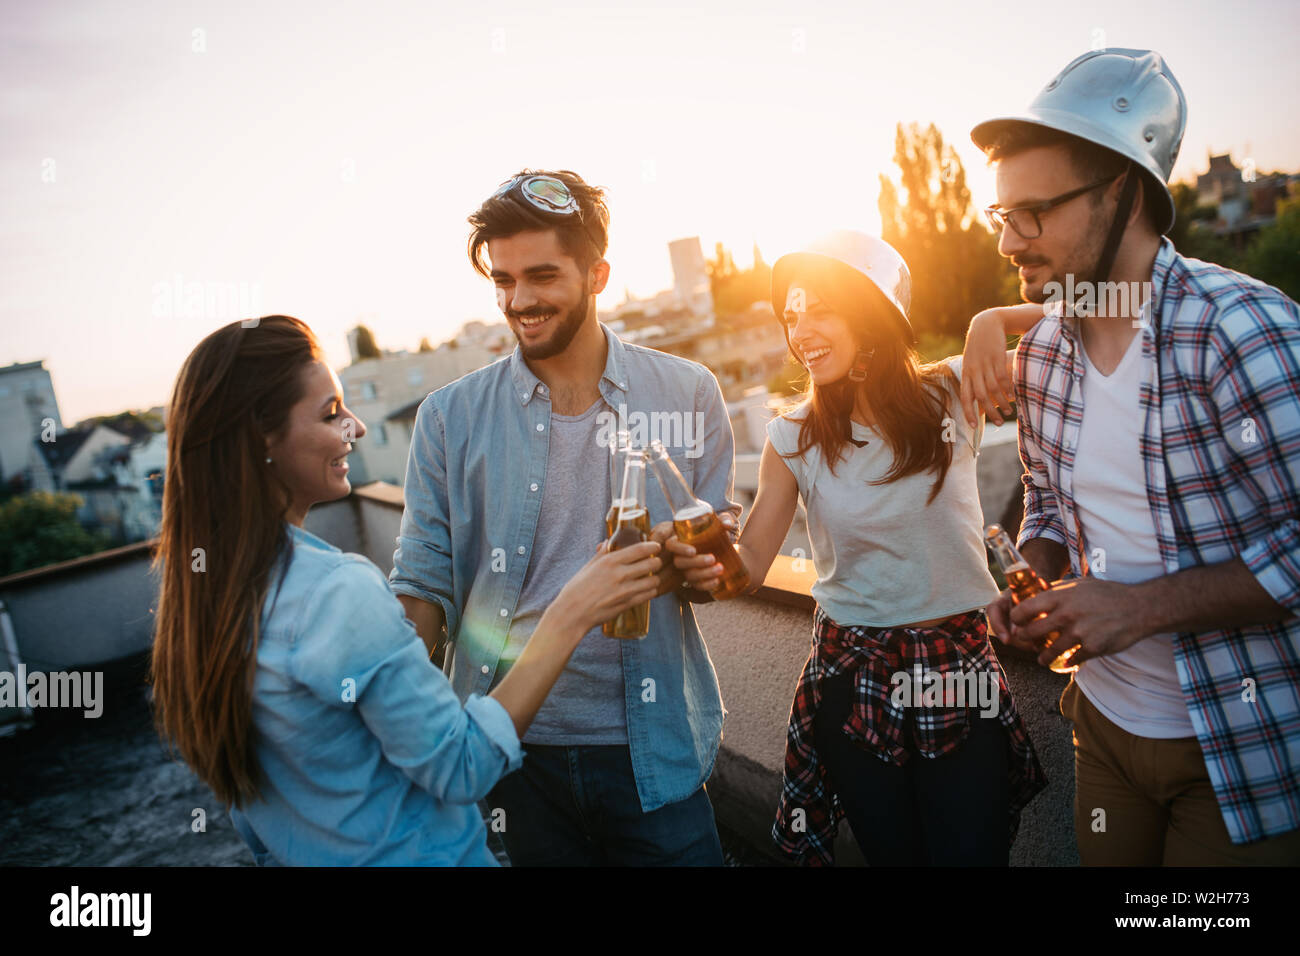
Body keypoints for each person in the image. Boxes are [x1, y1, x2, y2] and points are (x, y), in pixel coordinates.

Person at [149, 315, 662, 865]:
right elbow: (462, 766)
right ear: (261, 440)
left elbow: (256, 823)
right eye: (330, 414)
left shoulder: (206, 606)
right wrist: (570, 612)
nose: (356, 428)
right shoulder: (334, 593)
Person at [971, 48, 1300, 864]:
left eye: (1033, 213)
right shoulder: (1041, 354)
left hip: (1235, 742)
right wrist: (1030, 578)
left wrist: (1137, 606)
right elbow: (1046, 501)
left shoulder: (1244, 332)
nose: (1009, 241)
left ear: (1122, 189)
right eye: (1000, 216)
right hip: (1103, 730)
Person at [389, 169, 739, 866]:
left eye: (542, 276)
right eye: (503, 280)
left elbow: (717, 570)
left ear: (598, 273)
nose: (520, 301)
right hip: (509, 756)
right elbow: (423, 587)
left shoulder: (689, 391)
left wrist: (705, 567)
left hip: (653, 751)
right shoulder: (448, 418)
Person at [670, 230, 1047, 865]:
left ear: (872, 310)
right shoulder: (791, 437)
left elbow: (1109, 318)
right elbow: (748, 570)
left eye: (820, 309)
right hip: (852, 679)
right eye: (792, 314)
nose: (801, 331)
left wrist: (995, 319)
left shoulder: (953, 392)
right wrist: (702, 557)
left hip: (958, 670)